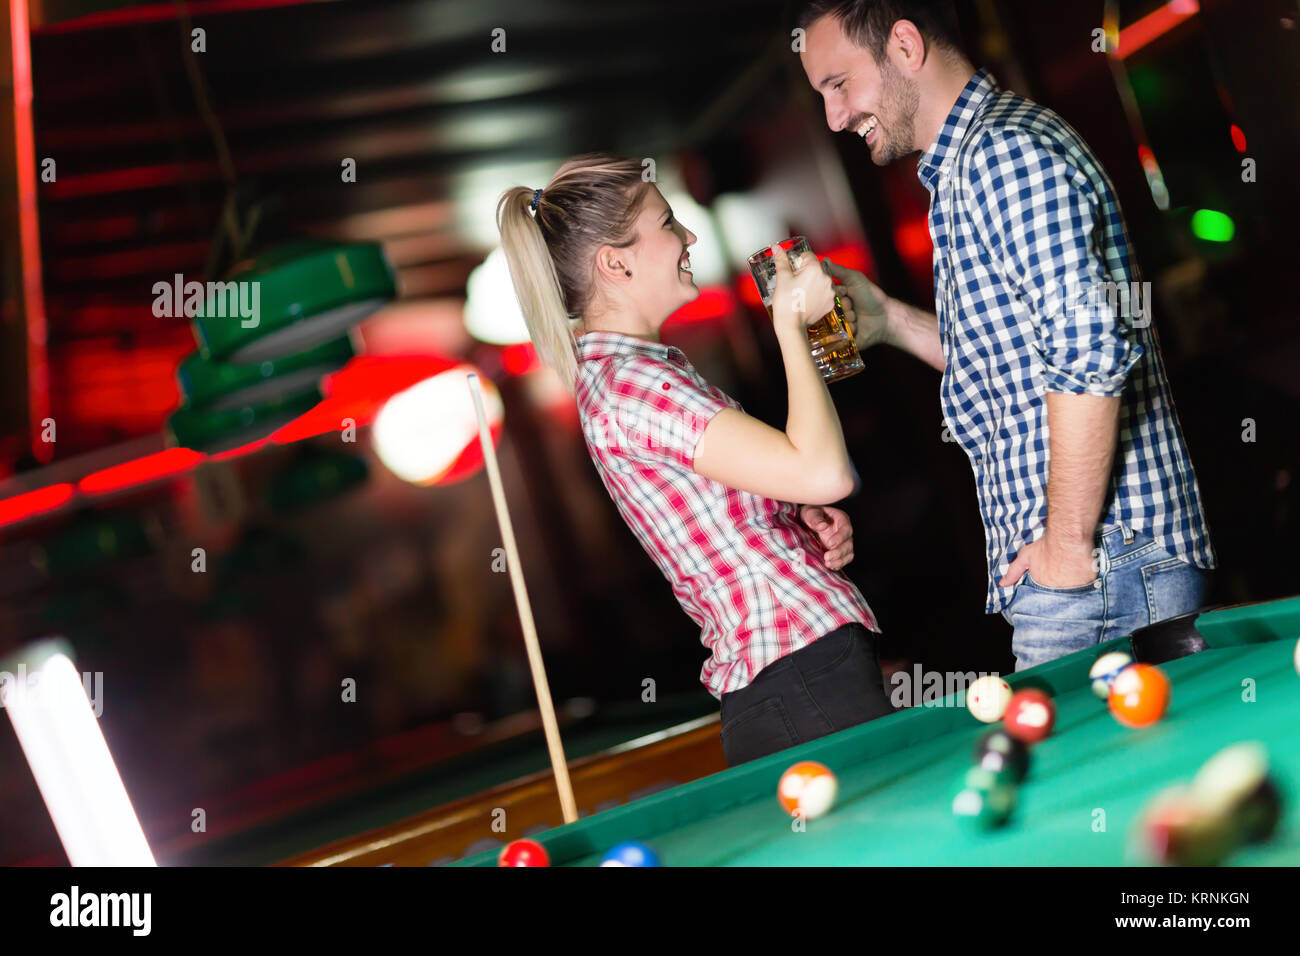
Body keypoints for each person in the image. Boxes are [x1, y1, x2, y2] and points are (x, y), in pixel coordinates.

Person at [792, 0, 1216, 669]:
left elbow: (1089, 350)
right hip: (1100, 567)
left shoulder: (1000, 155)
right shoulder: (970, 165)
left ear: (904, 46)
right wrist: (890, 320)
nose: (835, 117)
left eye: (837, 85)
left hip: (1100, 563)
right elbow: (1020, 361)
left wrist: (1067, 546)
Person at [497, 154, 893, 765]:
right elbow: (828, 472)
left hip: (793, 673)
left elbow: (789, 484)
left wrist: (790, 517)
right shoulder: (633, 382)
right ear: (615, 261)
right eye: (668, 223)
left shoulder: (631, 373)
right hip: (799, 669)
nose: (689, 237)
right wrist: (789, 323)